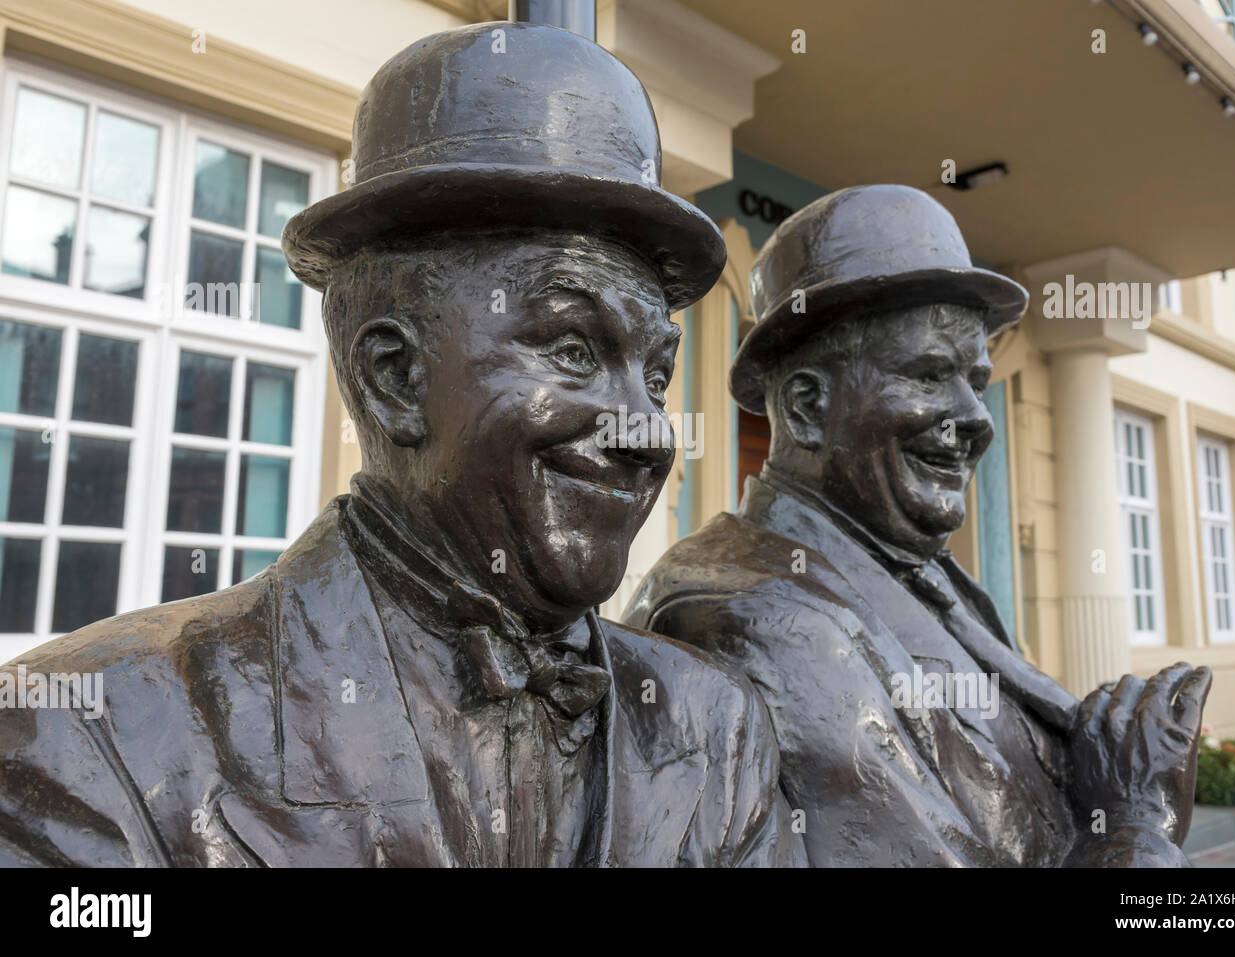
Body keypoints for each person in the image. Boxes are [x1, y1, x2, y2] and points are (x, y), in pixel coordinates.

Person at [0, 21, 804, 868]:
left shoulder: (716, 728)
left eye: (656, 375)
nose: (645, 431)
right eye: (573, 351)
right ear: (394, 377)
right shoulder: (91, 733)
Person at [626, 184, 1210, 867]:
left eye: (976, 379)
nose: (975, 418)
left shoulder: (920, 573)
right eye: (930, 375)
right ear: (810, 407)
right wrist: (1134, 827)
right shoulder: (749, 615)